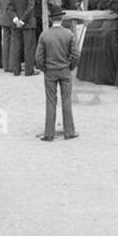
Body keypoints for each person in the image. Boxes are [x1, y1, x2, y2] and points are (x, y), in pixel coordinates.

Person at [34, 9, 80, 140]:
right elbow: (76, 55)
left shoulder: (44, 35)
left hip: (50, 71)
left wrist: (45, 69)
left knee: (50, 101)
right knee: (66, 100)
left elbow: (38, 58)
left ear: (50, 20)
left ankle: (49, 133)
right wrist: (70, 66)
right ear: (62, 19)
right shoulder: (69, 34)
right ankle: (69, 132)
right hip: (65, 70)